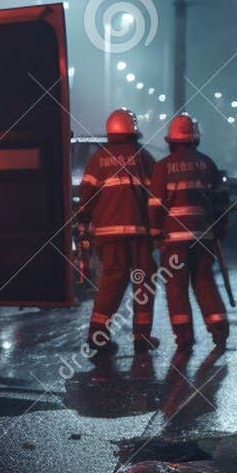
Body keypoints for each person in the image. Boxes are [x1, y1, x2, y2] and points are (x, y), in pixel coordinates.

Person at [76, 108, 161, 355]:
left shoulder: (97, 160)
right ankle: (142, 337)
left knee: (110, 284)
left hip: (108, 236)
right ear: (133, 131)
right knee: (144, 283)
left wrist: (84, 224)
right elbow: (155, 199)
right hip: (139, 235)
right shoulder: (144, 158)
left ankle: (97, 336)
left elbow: (86, 198)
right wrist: (157, 231)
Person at [151, 113, 229, 350]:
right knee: (204, 282)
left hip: (173, 240)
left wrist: (155, 234)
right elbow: (221, 203)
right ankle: (219, 330)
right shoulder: (208, 163)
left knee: (176, 288)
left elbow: (155, 205)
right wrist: (219, 231)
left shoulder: (162, 167)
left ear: (170, 140)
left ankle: (184, 338)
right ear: (195, 138)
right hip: (203, 237)